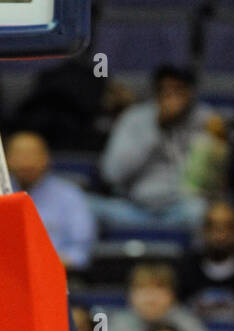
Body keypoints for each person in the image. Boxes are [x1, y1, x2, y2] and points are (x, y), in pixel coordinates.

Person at [96, 66, 226, 232]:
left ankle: (193, 258)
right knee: (86, 206)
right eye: (165, 91)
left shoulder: (207, 120)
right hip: (132, 208)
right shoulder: (134, 118)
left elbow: (213, 180)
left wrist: (218, 140)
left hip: (182, 209)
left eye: (178, 90)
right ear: (155, 93)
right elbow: (112, 174)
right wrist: (158, 127)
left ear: (191, 92)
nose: (171, 98)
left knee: (202, 212)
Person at [5, 131, 97, 272]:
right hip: (6, 275)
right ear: (6, 158)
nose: (25, 161)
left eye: (31, 154)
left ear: (46, 158)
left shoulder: (70, 196)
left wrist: (45, 266)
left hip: (58, 276)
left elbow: (80, 250)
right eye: (19, 154)